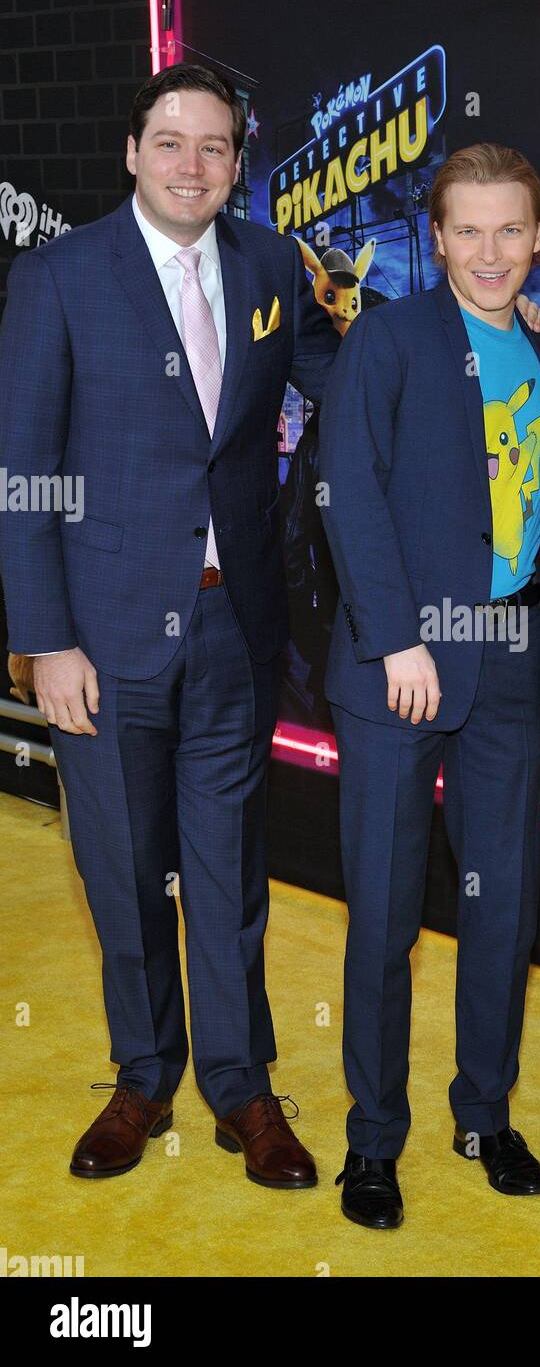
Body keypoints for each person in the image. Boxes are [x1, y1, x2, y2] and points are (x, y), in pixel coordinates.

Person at [0, 62, 343, 1188]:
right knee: (122, 870)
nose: (193, 166)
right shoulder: (59, 277)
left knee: (229, 872)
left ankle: (242, 1086)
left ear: (238, 164)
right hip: (99, 645)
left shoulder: (267, 264)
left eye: (215, 148)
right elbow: (25, 475)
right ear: (133, 152)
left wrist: (474, 329)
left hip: (232, 634)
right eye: (171, 143)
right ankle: (144, 1077)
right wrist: (44, 638)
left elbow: (341, 370)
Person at [318, 143, 540, 1229]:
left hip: (510, 666)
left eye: (509, 229)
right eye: (466, 230)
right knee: (383, 916)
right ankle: (373, 1142)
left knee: (502, 910)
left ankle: (486, 1113)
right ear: (436, 238)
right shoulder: (390, 336)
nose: (489, 251)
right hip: (400, 668)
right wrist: (396, 640)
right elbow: (346, 491)